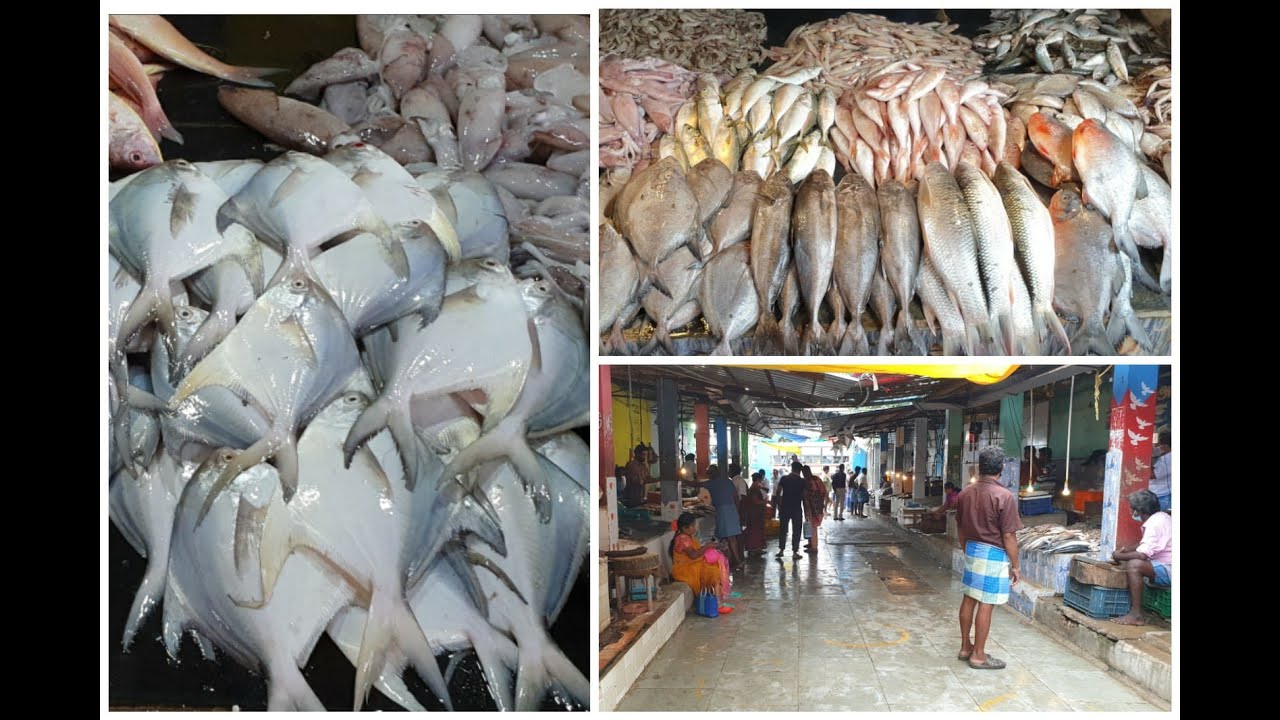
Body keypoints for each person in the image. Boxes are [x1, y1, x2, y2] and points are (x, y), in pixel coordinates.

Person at [954, 446, 1023, 670]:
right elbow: (1009, 535)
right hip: (993, 553)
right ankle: (979, 655)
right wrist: (1016, 565)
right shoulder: (1004, 496)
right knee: (986, 603)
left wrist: (966, 548)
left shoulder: (965, 493)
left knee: (969, 598)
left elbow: (961, 526)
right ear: (1002, 467)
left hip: (972, 549)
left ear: (979, 467)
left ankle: (966, 647)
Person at [1110, 489, 1173, 626]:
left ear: (1138, 511)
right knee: (1134, 561)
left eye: (1132, 509)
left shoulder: (1153, 524)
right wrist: (1128, 549)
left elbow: (1142, 554)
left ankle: (1136, 614)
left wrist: (1118, 555)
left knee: (1134, 565)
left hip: (1171, 569)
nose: (1132, 512)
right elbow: (1146, 545)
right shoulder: (1162, 517)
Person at [669, 512, 733, 611]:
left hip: (692, 564)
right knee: (713, 571)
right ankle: (716, 602)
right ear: (685, 528)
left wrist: (711, 547)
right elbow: (694, 555)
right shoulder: (682, 539)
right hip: (685, 570)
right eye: (693, 525)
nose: (695, 527)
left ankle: (715, 599)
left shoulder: (686, 536)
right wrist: (708, 546)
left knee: (715, 566)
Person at [705, 464, 743, 567]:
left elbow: (695, 484)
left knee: (729, 539)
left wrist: (680, 479)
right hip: (731, 510)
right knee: (729, 539)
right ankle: (731, 561)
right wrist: (737, 511)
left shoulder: (712, 483)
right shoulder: (727, 482)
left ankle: (735, 561)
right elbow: (736, 498)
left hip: (725, 512)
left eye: (710, 473)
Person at [775, 461, 807, 559]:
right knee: (796, 530)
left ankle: (781, 550)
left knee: (783, 529)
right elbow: (804, 496)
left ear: (792, 468)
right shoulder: (802, 481)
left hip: (785, 507)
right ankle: (795, 552)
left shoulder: (784, 478)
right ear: (800, 470)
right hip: (796, 508)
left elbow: (778, 492)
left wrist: (779, 505)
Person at [741, 471, 770, 555]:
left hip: (753, 513)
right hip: (755, 514)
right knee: (755, 531)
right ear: (758, 480)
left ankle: (754, 548)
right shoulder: (755, 489)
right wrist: (764, 502)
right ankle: (755, 548)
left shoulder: (753, 488)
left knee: (753, 531)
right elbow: (756, 501)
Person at [802, 465, 827, 553]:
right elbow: (824, 491)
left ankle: (814, 546)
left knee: (812, 525)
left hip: (810, 507)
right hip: (817, 506)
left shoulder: (806, 481)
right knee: (811, 524)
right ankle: (811, 542)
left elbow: (805, 495)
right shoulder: (817, 479)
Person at [1149, 438, 1171, 511]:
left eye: (1158, 444)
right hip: (1157, 493)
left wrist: (1149, 456)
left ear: (1165, 446)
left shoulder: (1169, 458)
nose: (1156, 446)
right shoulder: (1164, 454)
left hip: (1162, 496)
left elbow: (1152, 475)